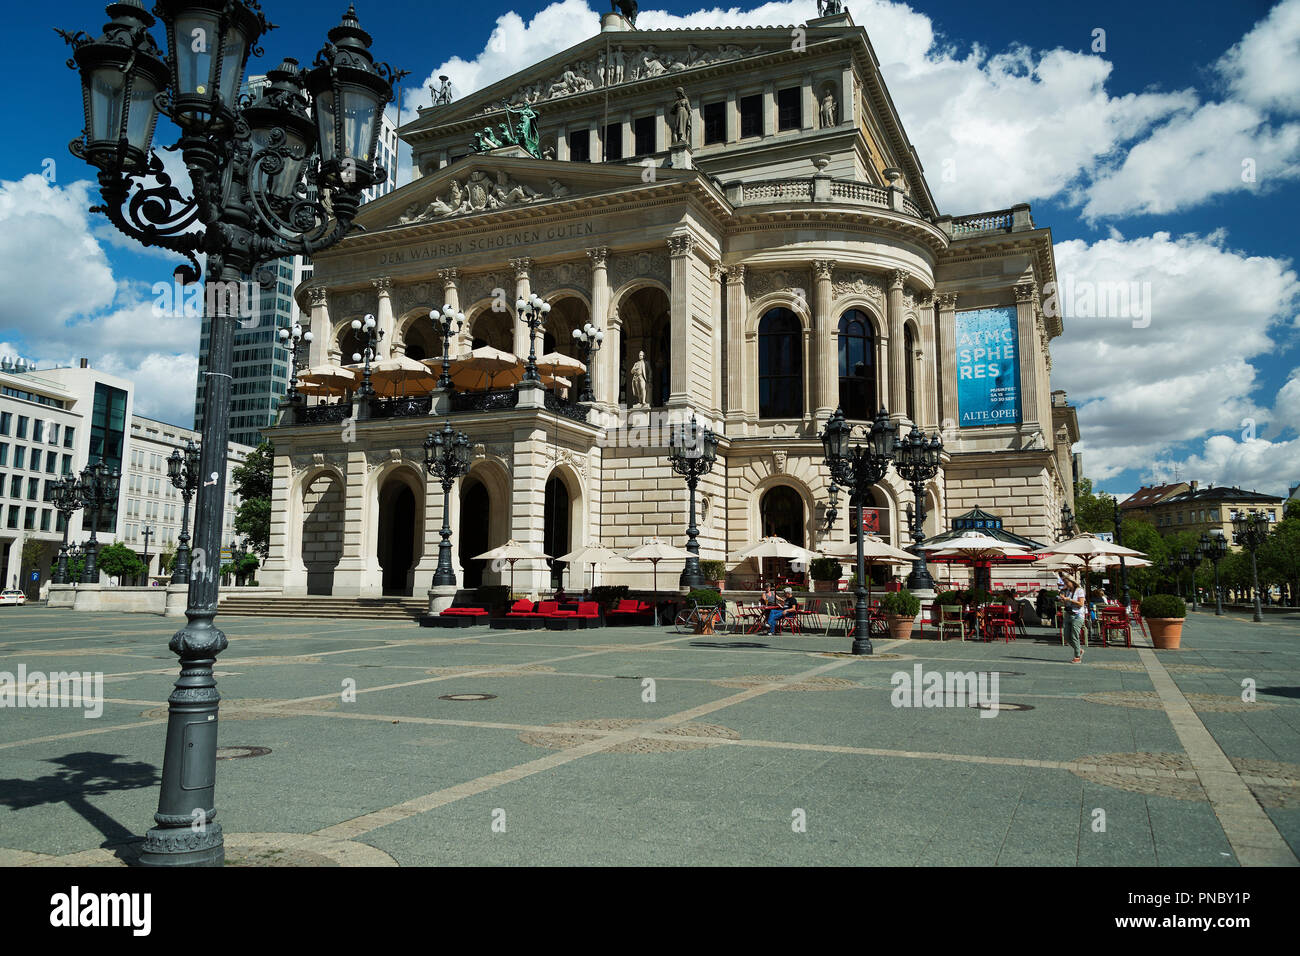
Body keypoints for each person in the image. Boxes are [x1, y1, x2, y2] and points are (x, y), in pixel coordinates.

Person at [1060, 573, 1087, 663]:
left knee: (1074, 636)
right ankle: (1079, 650)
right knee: (1067, 637)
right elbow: (1067, 604)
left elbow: (1081, 604)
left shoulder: (1080, 590)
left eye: (1067, 583)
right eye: (1065, 583)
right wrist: (1064, 600)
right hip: (1068, 614)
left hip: (1077, 615)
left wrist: (1069, 600)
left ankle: (1077, 656)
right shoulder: (1068, 591)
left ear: (1072, 582)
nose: (1066, 585)